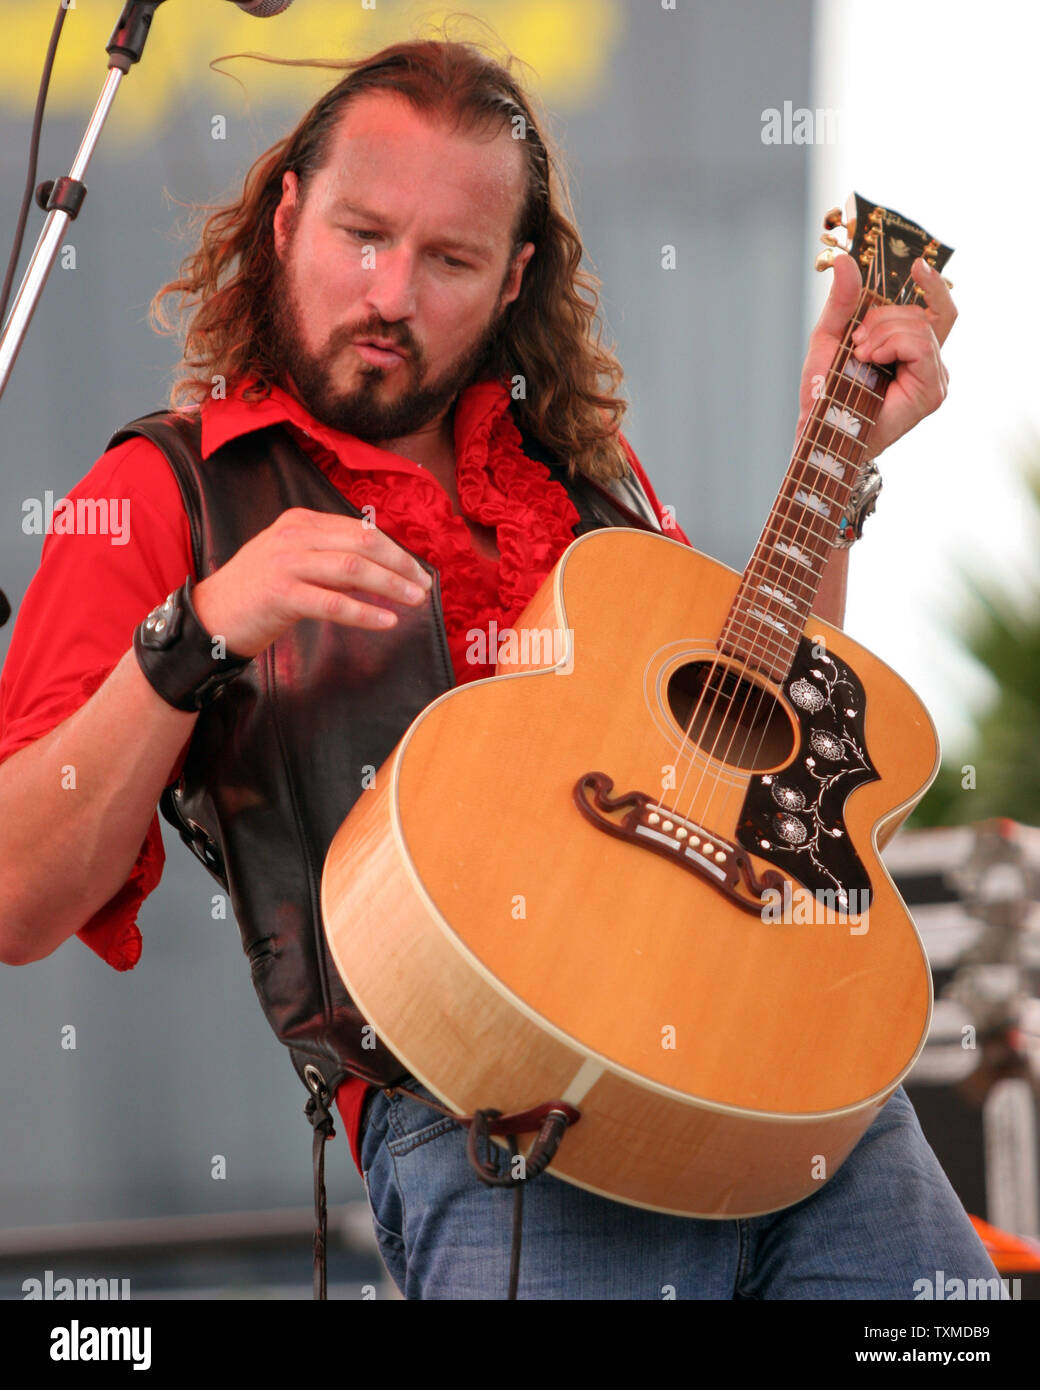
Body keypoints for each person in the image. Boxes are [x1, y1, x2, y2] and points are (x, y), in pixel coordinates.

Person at [0, 37, 997, 1300]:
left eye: (450, 259)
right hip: (512, 1122)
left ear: (515, 275)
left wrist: (832, 453)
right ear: (286, 215)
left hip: (808, 1112)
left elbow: (763, 741)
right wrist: (197, 632)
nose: (391, 292)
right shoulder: (164, 494)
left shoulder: (591, 487)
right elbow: (19, 895)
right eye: (361, 234)